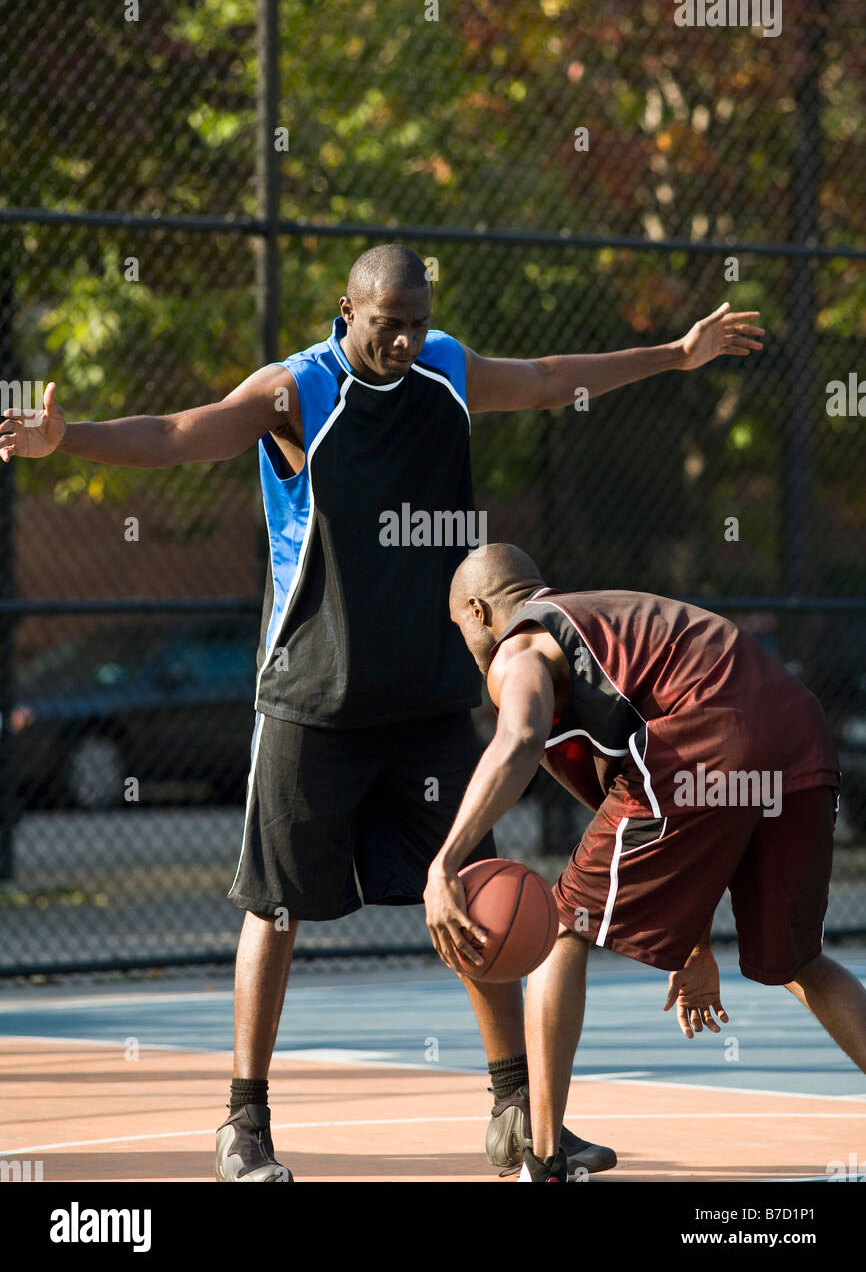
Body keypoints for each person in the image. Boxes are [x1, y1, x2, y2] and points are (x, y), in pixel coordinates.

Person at [1, 246, 763, 1182]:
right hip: (312, 697)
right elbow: (175, 431)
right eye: (386, 321)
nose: (403, 337)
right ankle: (244, 1123)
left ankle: (516, 1111)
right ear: (345, 311)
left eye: (415, 319)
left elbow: (553, 377)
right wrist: (66, 437)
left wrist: (673, 356)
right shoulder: (297, 393)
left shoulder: (444, 368)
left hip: (428, 697)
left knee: (476, 890)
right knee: (274, 908)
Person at [424, 543, 866, 1183]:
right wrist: (688, 942)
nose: (464, 643)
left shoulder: (521, 644)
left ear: (477, 610)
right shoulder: (612, 636)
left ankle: (545, 1160)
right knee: (799, 961)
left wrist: (446, 863)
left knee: (560, 926)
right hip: (797, 736)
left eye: (460, 626)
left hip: (708, 742)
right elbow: (665, 826)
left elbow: (518, 738)